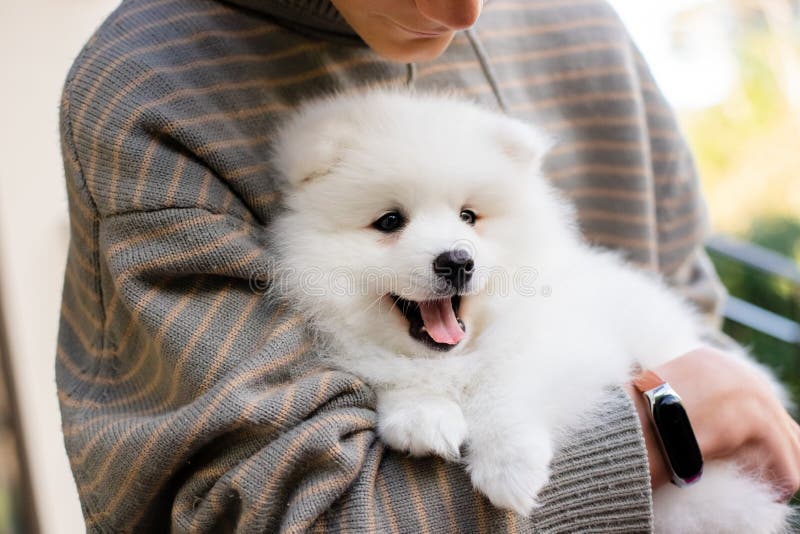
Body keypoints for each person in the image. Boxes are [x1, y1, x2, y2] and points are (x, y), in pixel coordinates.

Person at [56, 0, 800, 531]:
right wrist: (653, 432)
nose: (468, 12)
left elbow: (694, 322)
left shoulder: (586, 25)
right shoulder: (153, 89)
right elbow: (271, 510)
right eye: (388, 222)